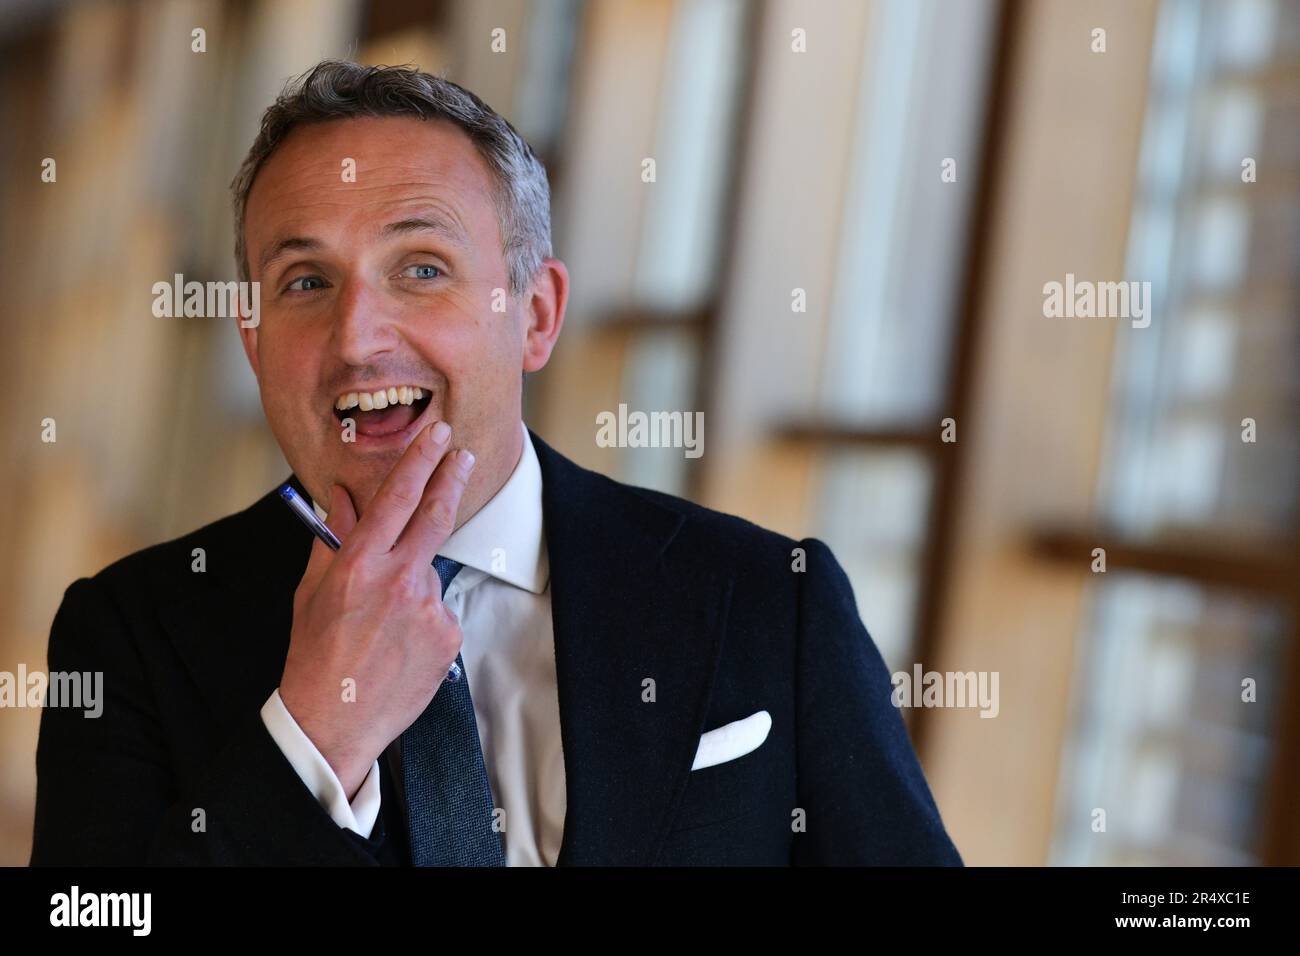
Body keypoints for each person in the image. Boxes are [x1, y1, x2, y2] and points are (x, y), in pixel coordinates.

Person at [30, 60, 961, 866]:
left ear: (538, 314)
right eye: (306, 283)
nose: (357, 338)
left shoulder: (766, 600)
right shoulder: (126, 636)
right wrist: (314, 735)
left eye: (422, 268)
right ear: (253, 340)